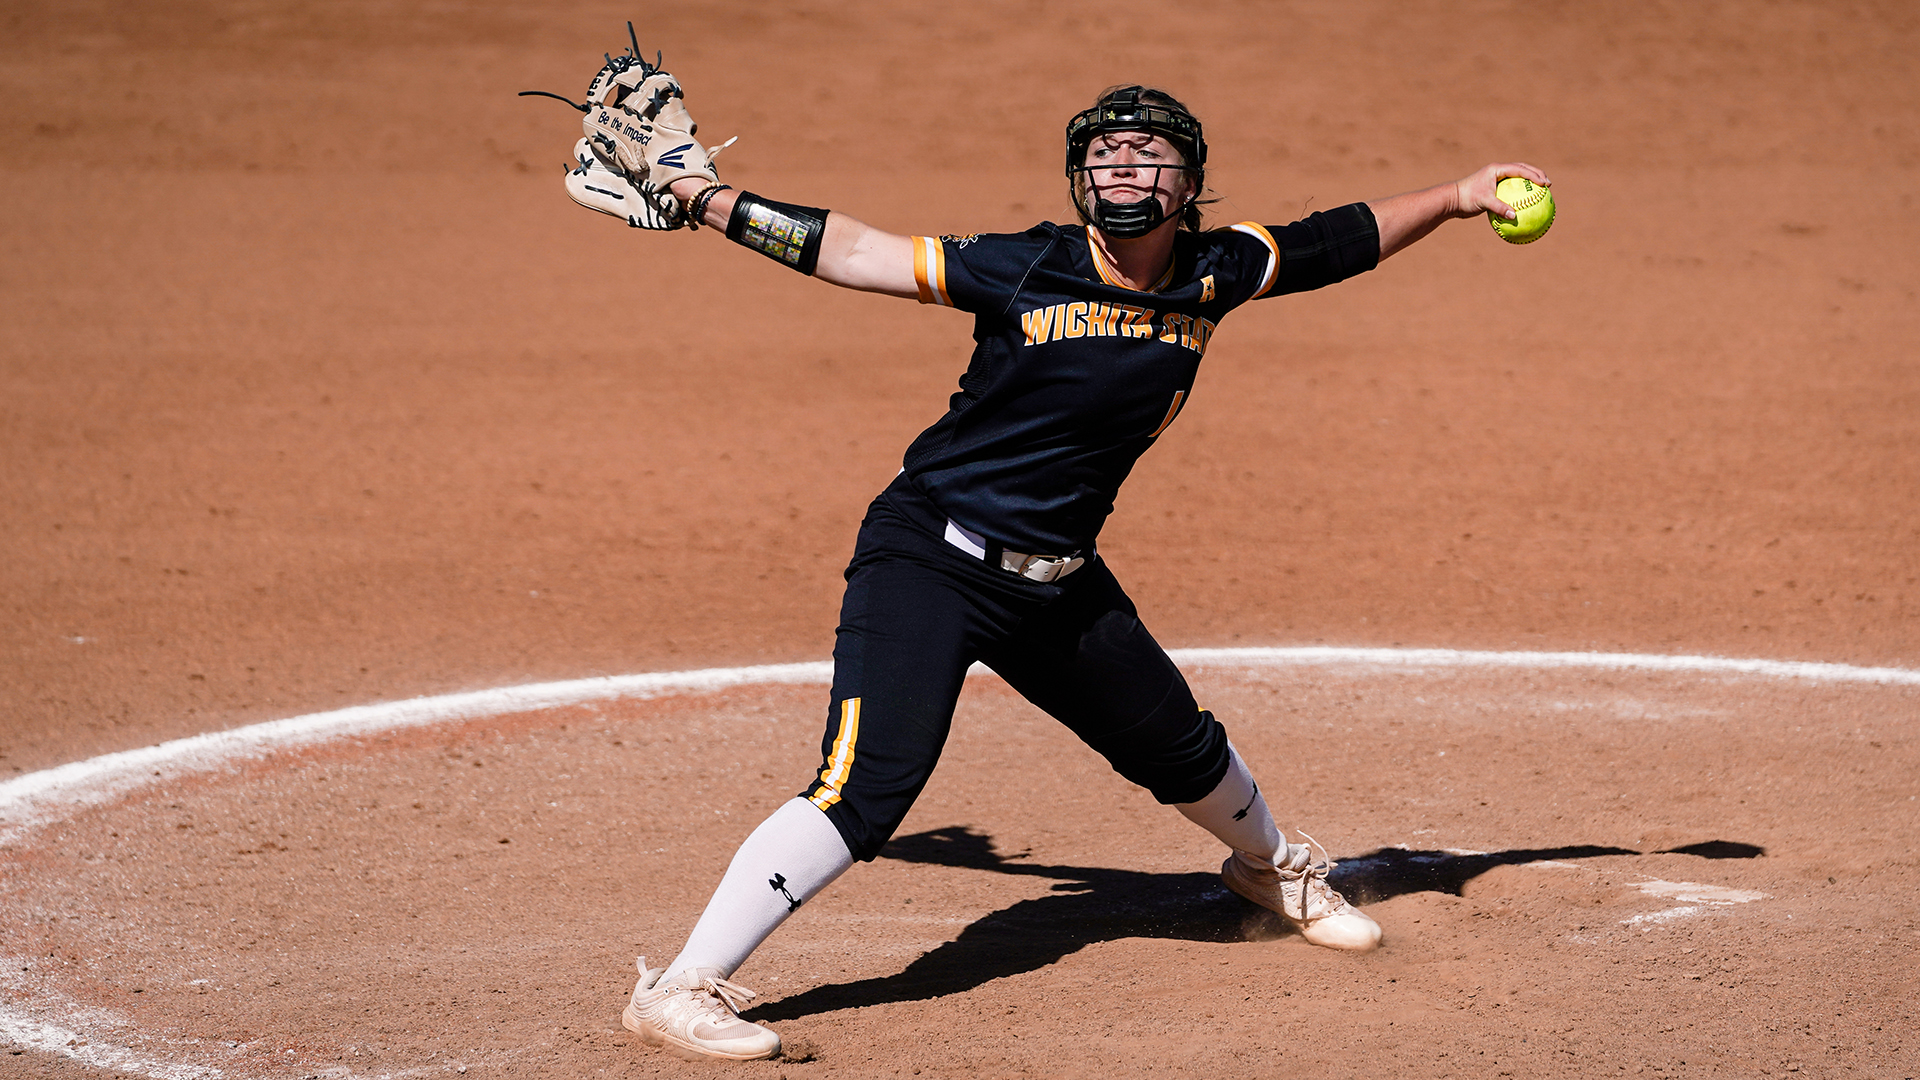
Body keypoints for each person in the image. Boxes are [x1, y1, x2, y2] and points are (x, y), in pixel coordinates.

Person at [562, 61, 1549, 1063]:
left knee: (1178, 745)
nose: (1121, 164)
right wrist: (703, 195)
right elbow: (854, 251)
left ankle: (1272, 871)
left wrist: (1465, 196)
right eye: (1103, 151)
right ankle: (679, 989)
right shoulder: (1022, 266)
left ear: (1189, 182)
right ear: (1079, 177)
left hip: (1058, 580)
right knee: (868, 785)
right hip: (930, 557)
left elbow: (1342, 239)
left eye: (1146, 151)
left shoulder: (1222, 269)